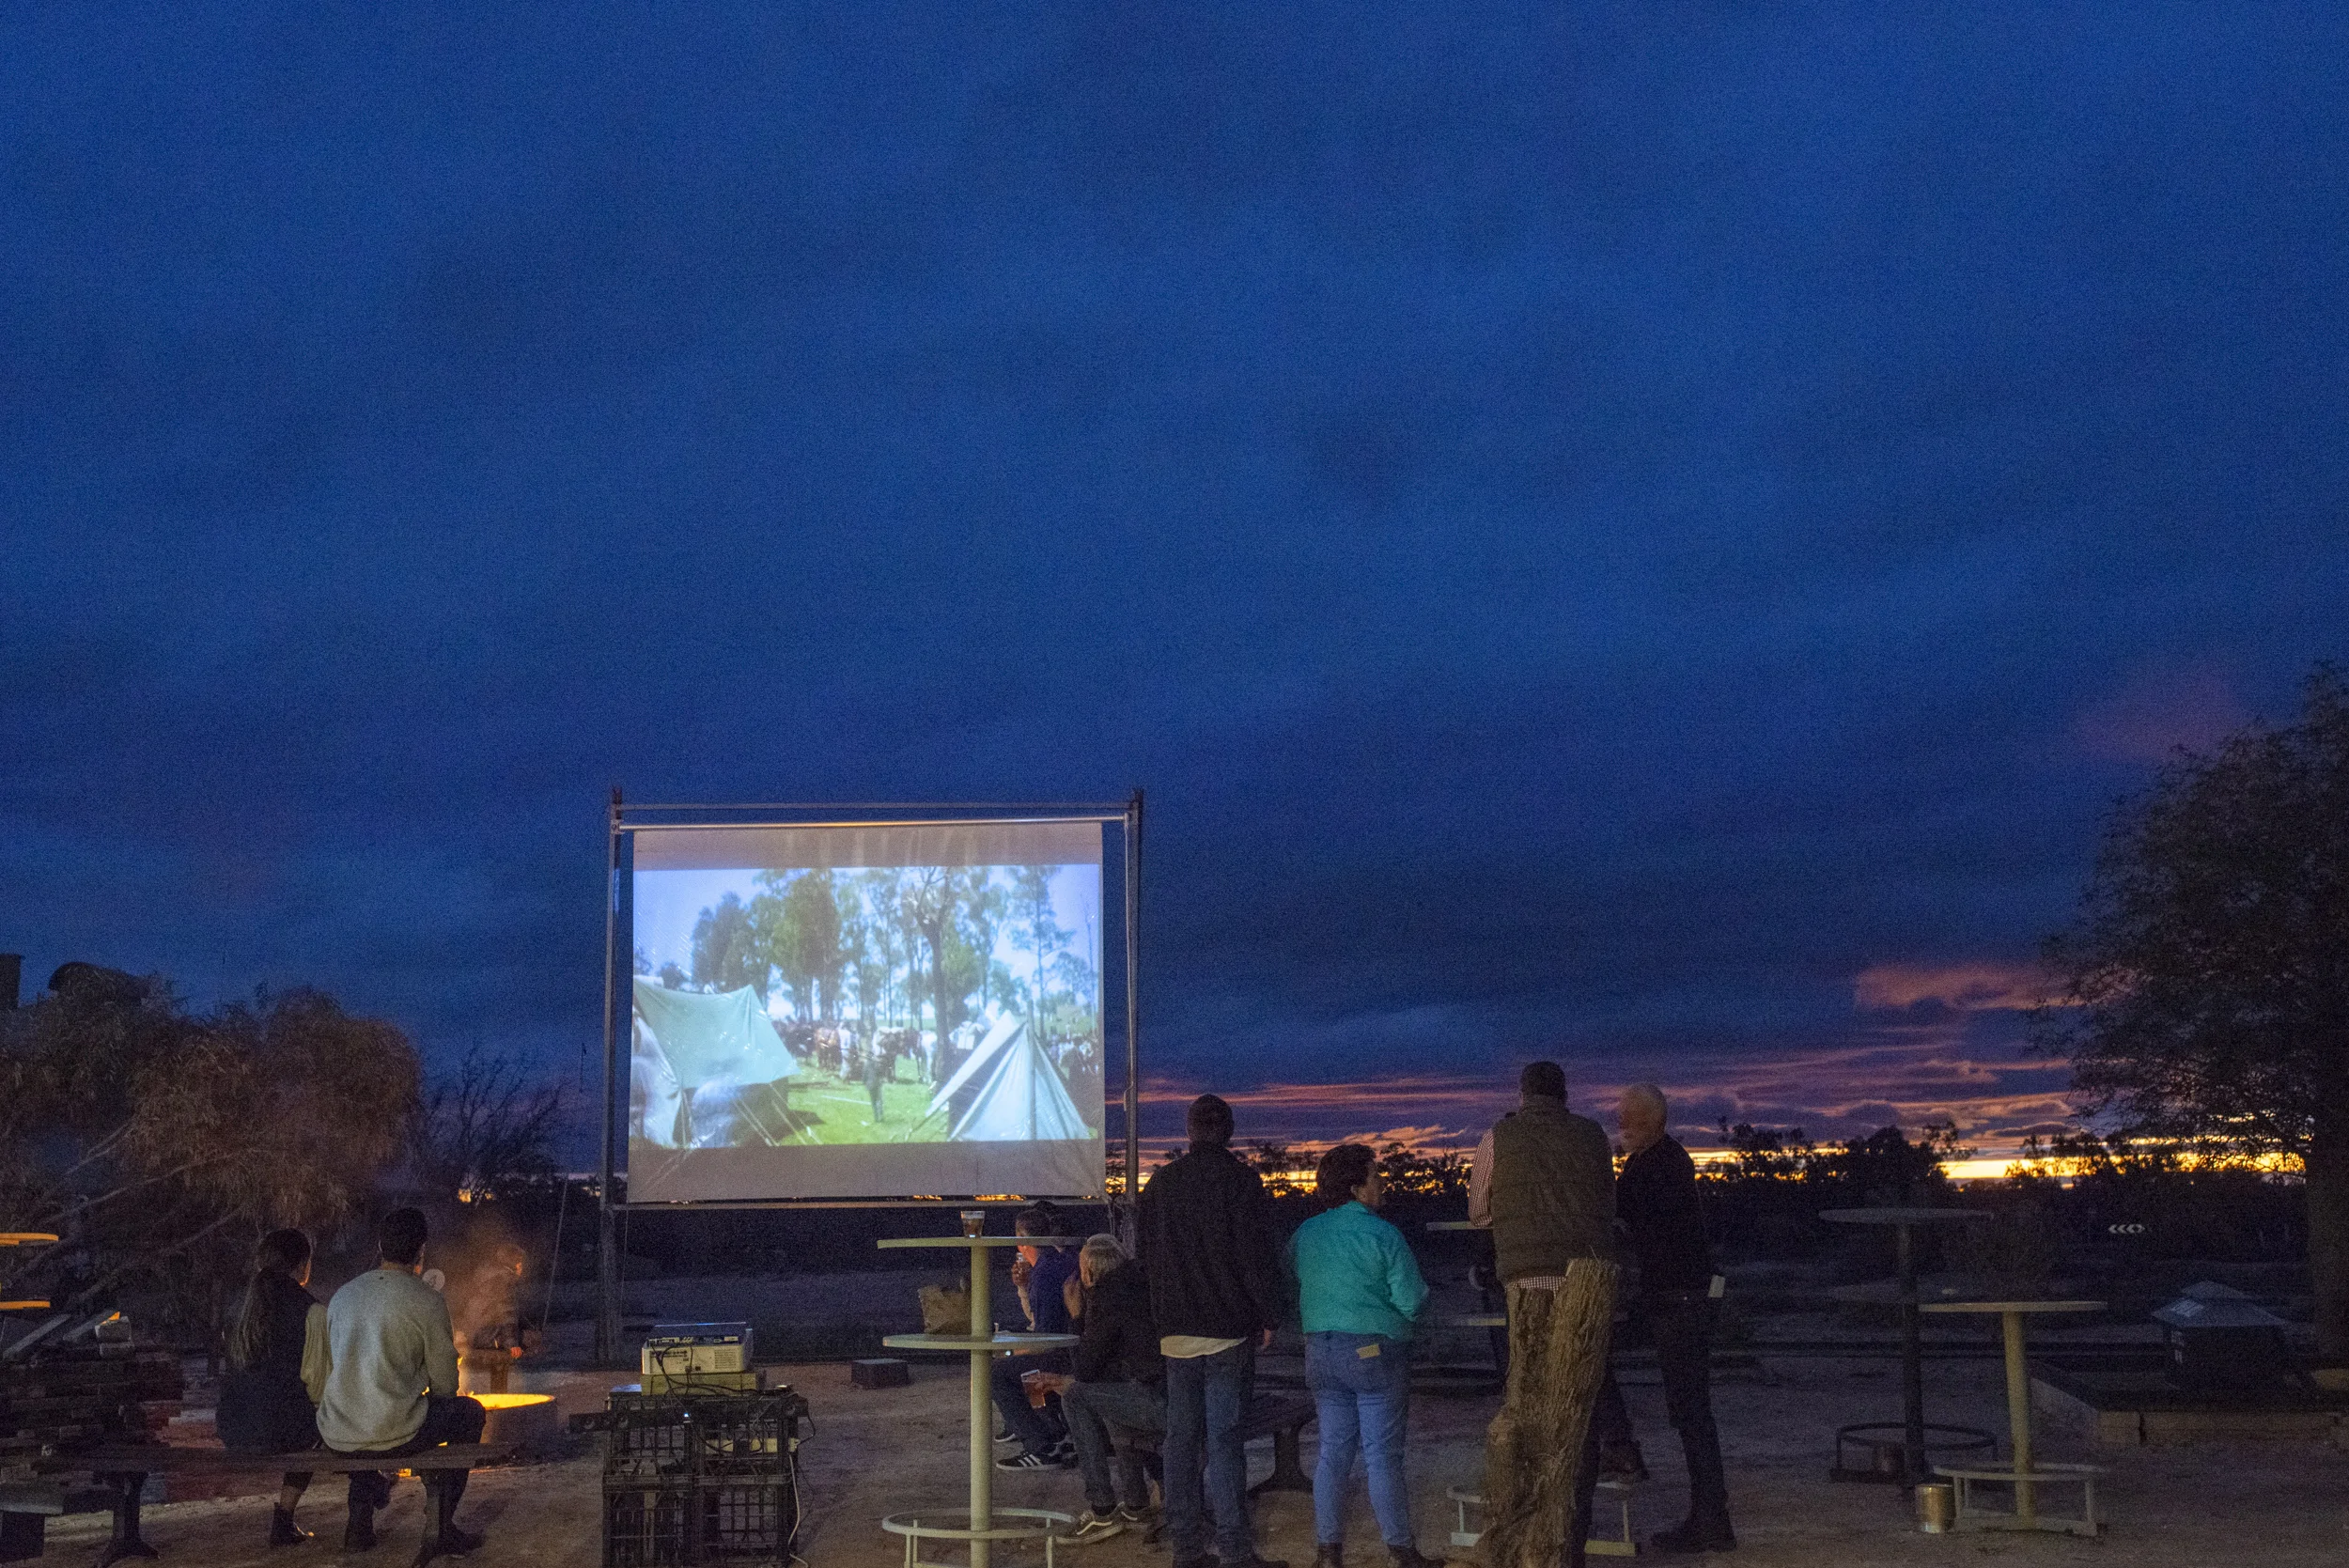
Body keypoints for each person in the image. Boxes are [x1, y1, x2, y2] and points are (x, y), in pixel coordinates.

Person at [1470, 1062, 1616, 1568]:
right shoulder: (1593, 1136)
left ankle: (1527, 1525)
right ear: (1564, 1094)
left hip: (1527, 1281)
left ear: (1524, 1094)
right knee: (1579, 1399)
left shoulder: (1499, 1137)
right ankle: (1572, 1531)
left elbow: (1479, 1211)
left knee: (1528, 1396)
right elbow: (1607, 1202)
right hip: (1586, 1282)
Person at [1140, 1093, 1287, 1568]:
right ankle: (1235, 1550)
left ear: (1188, 1131)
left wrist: (1159, 1315)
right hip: (1227, 1330)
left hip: (1175, 1331)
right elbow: (1254, 1256)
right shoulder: (1240, 1181)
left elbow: (1146, 1257)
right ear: (1228, 1131)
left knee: (1180, 1441)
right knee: (1224, 1441)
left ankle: (1186, 1549)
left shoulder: (1161, 1183)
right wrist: (1269, 1314)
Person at [1590, 1085, 1734, 1554]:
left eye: (1628, 1116)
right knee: (1599, 1354)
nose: (1621, 1124)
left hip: (1679, 1302)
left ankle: (1711, 1520)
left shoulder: (1660, 1164)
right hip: (1668, 1299)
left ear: (1653, 1119)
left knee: (1691, 1412)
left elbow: (1616, 1212)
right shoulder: (1654, 1161)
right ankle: (1624, 1447)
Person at [1288, 1144, 1437, 1568]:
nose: (1382, 1182)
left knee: (1333, 1452)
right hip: (1373, 1352)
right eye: (1375, 1176)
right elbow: (1411, 1300)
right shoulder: (1383, 1233)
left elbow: (1291, 1278)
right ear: (1356, 1188)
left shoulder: (1306, 1233)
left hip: (1320, 1350)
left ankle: (1328, 1552)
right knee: (1381, 1455)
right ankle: (1401, 1550)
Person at [317, 1208, 488, 1554]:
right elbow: (444, 1382)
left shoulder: (343, 1295)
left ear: (381, 1246)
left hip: (337, 1430)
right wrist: (431, 1398)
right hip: (394, 1432)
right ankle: (441, 1523)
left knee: (365, 1416)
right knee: (469, 1413)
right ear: (422, 1250)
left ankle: (359, 1524)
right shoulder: (426, 1299)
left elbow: (332, 1366)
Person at [1038, 1234, 1164, 1544]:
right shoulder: (1138, 1286)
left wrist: (1076, 1316)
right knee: (1107, 1394)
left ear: (1090, 1272)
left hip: (1161, 1400)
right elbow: (1100, 1370)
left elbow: (1084, 1369)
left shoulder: (1109, 1299)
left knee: (1075, 1396)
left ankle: (1102, 1508)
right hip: (1170, 1389)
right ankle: (1135, 1504)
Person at [217, 1229, 331, 1547]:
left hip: (233, 1427)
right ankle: (285, 1518)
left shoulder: (237, 1307)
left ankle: (286, 1522)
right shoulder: (311, 1311)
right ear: (303, 1265)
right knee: (323, 1422)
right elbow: (319, 1388)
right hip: (283, 1432)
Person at [994, 1200, 1081, 1469]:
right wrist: (1024, 1286)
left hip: (1067, 1352)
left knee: (996, 1372)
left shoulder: (1045, 1274)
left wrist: (1017, 1349)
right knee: (1018, 1359)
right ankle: (1054, 1430)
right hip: (1078, 1346)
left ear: (1022, 1240)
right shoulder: (1059, 1262)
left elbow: (1047, 1338)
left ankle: (1041, 1445)